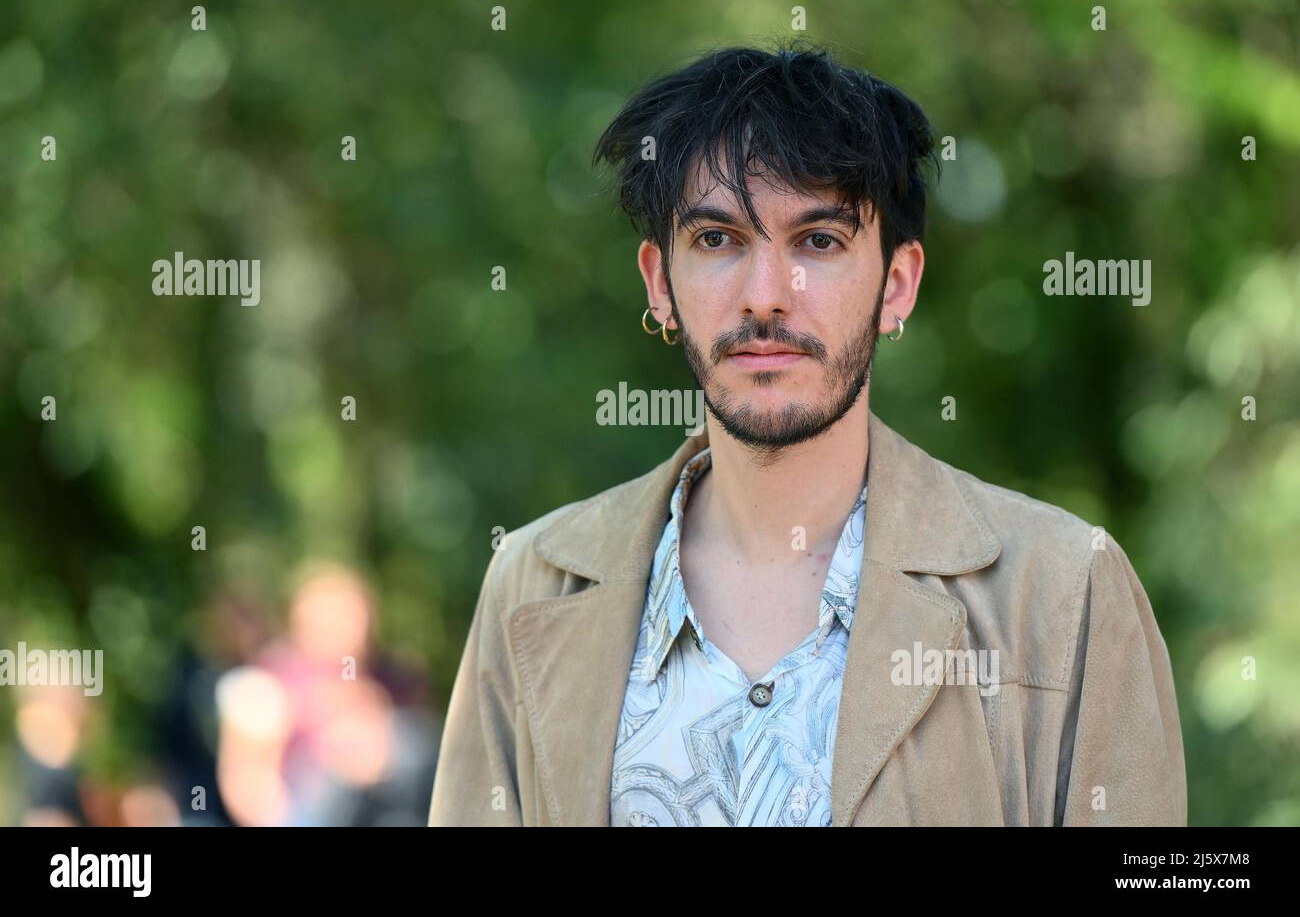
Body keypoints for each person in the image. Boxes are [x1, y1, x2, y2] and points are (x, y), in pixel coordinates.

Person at [428, 42, 1186, 826]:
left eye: (818, 242)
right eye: (718, 240)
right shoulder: (530, 586)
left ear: (896, 285)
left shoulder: (1065, 594)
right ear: (660, 283)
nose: (766, 297)